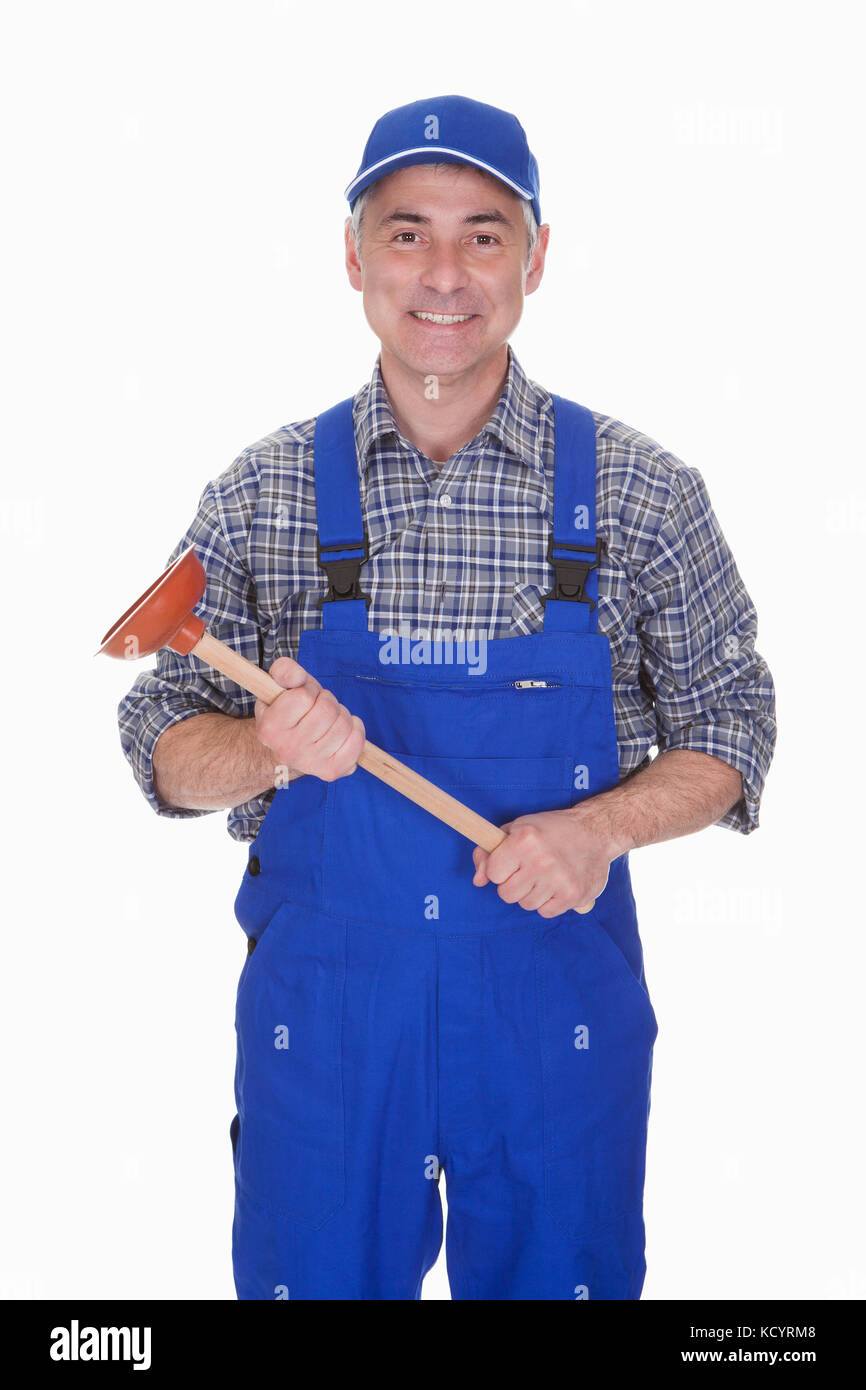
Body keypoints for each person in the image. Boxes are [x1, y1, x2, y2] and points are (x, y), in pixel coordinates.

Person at [118, 95, 777, 1300]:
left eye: (482, 232)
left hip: (550, 1022)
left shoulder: (639, 494)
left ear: (533, 256)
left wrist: (601, 827)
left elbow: (732, 727)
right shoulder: (264, 491)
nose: (443, 272)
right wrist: (265, 748)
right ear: (354, 256)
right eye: (406, 230)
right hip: (325, 1032)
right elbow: (161, 744)